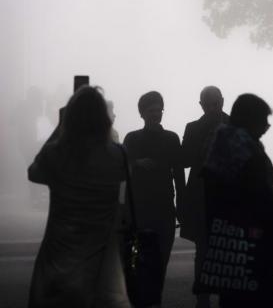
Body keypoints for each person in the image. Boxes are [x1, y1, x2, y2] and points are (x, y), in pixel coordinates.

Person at [27, 86, 130, 308]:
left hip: (58, 256)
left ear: (70, 119)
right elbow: (121, 200)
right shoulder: (118, 155)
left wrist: (59, 128)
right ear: (104, 118)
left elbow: (33, 173)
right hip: (101, 261)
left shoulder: (56, 155)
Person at [195, 94, 273, 308]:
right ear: (251, 119)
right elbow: (257, 200)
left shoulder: (224, 145)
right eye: (263, 119)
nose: (267, 126)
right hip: (250, 247)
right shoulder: (246, 150)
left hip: (230, 247)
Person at [123, 91, 185, 306]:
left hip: (162, 207)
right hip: (141, 208)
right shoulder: (132, 139)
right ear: (142, 113)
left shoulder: (170, 139)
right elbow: (123, 172)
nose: (156, 114)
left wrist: (181, 204)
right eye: (152, 110)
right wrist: (137, 164)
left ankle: (149, 301)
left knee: (159, 261)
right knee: (141, 262)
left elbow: (178, 173)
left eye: (159, 110)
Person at [180, 86, 230, 308]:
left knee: (221, 249)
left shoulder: (232, 125)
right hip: (203, 198)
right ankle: (204, 299)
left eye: (214, 104)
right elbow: (184, 160)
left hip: (225, 198)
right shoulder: (195, 128)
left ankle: (215, 298)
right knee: (205, 249)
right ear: (201, 105)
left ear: (221, 101)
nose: (211, 109)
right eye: (207, 104)